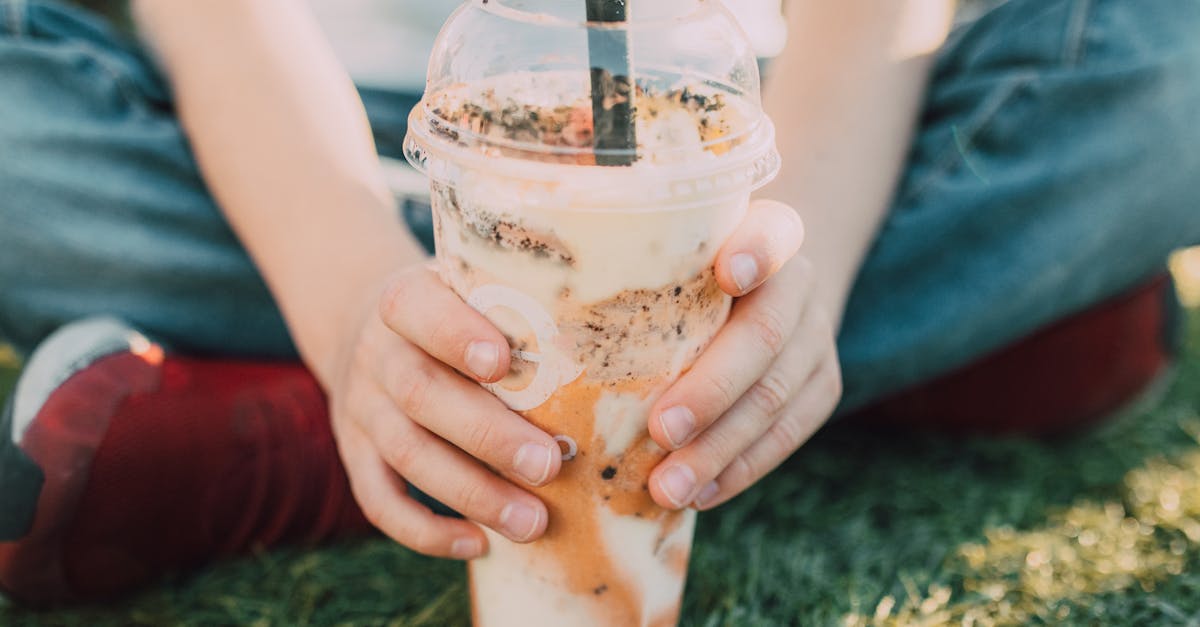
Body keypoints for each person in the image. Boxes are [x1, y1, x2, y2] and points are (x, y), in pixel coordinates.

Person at [1, 0, 1198, 606]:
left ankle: (414, 429)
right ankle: (969, 322)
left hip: (768, 145)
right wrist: (353, 300)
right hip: (324, 140)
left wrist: (809, 268)